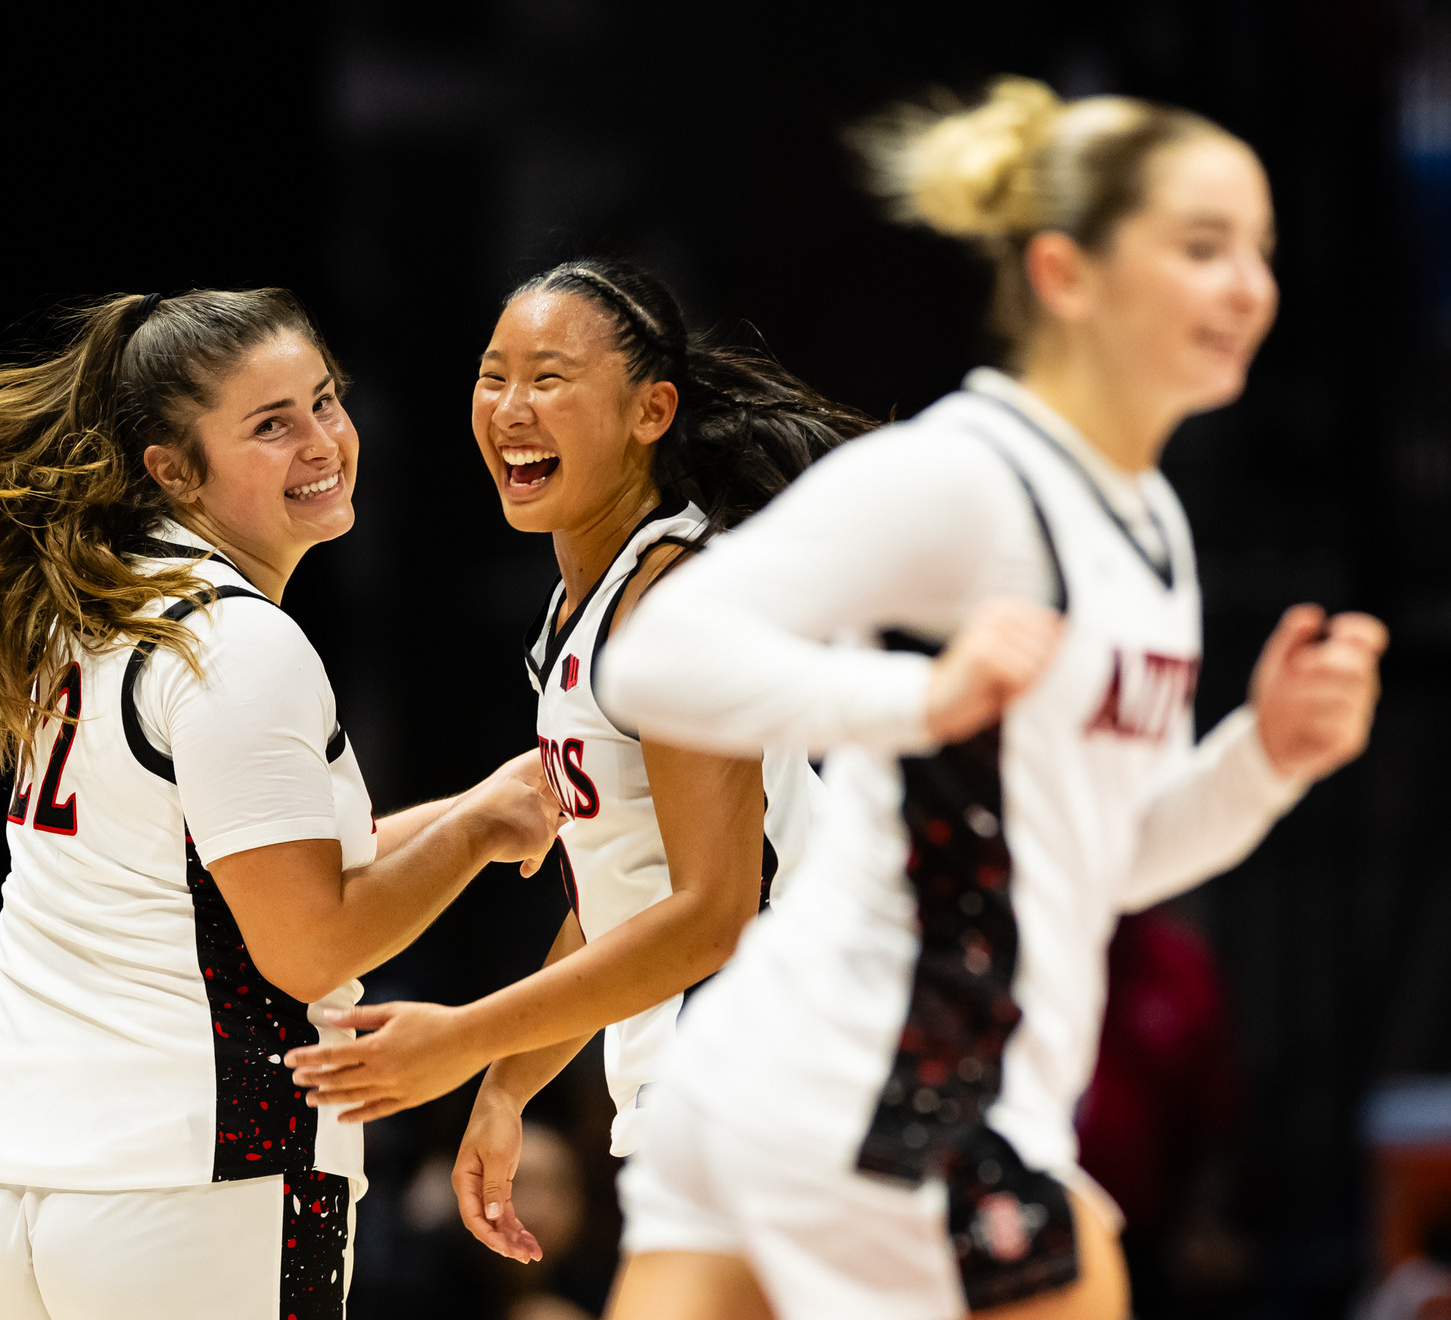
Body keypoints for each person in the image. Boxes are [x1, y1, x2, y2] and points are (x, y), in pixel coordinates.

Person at [594, 78, 1387, 1320]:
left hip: (791, 1081)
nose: (1250, 287)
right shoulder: (966, 475)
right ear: (1065, 274)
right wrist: (916, 696)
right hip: (881, 1089)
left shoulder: (1149, 519)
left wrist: (1265, 759)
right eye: (1201, 248)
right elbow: (657, 665)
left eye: (1261, 253)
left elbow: (1100, 858)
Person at [0, 289, 564, 1320]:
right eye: (271, 425)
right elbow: (308, 946)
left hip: (19, 1175)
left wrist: (471, 812)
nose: (323, 441)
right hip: (201, 1177)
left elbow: (233, 871)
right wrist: (478, 832)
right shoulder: (239, 641)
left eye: (325, 401)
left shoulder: (99, 609)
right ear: (172, 468)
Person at [282, 259, 873, 1261]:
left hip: (779, 1077)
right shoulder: (581, 608)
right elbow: (624, 893)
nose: (511, 408)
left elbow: (711, 915)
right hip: (719, 1091)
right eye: (492, 375)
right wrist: (510, 1079)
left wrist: (466, 1037)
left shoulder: (678, 603)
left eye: (549, 378)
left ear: (652, 411)